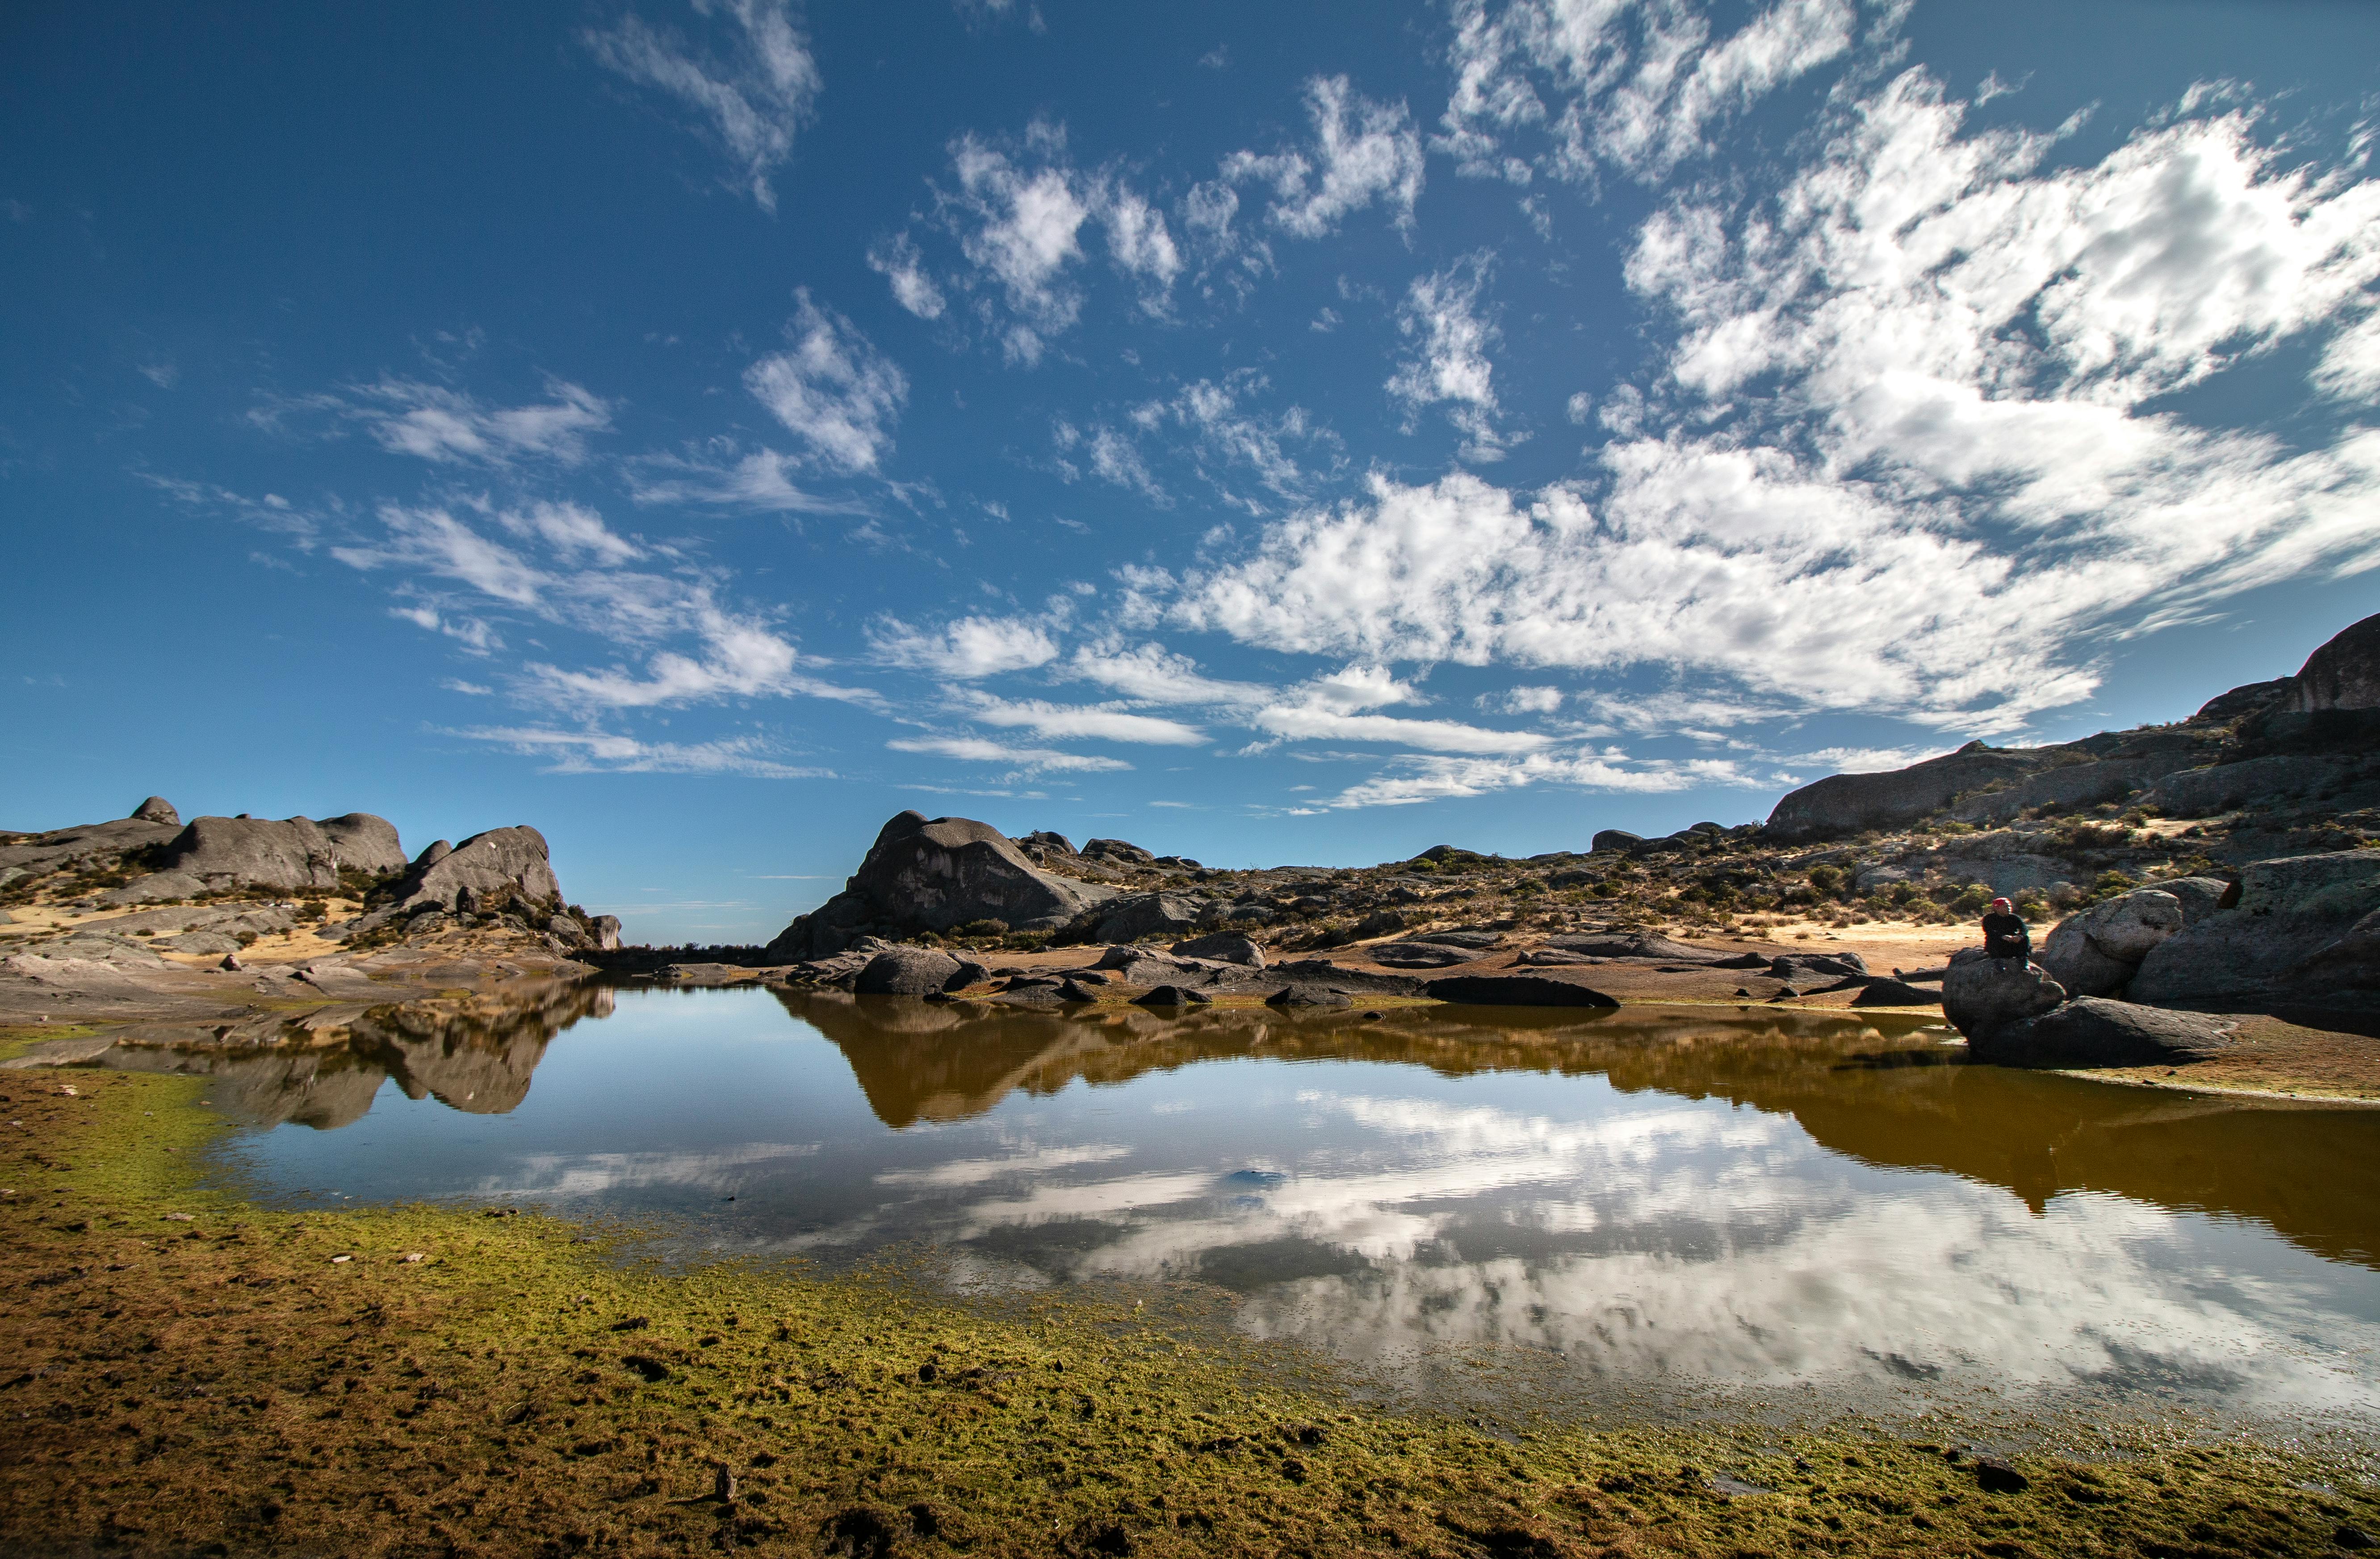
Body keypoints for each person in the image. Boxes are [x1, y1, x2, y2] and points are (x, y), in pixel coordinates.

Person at [1981, 896, 2030, 962]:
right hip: (1998, 946)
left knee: (2025, 938)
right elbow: (1989, 931)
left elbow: (2024, 928)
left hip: (2011, 945)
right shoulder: (1989, 918)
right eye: (2006, 907)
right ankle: (1997, 961)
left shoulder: (2014, 918)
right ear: (1997, 908)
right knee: (1992, 939)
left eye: (2009, 906)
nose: (2009, 908)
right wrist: (2002, 937)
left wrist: (2020, 936)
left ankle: (2023, 960)